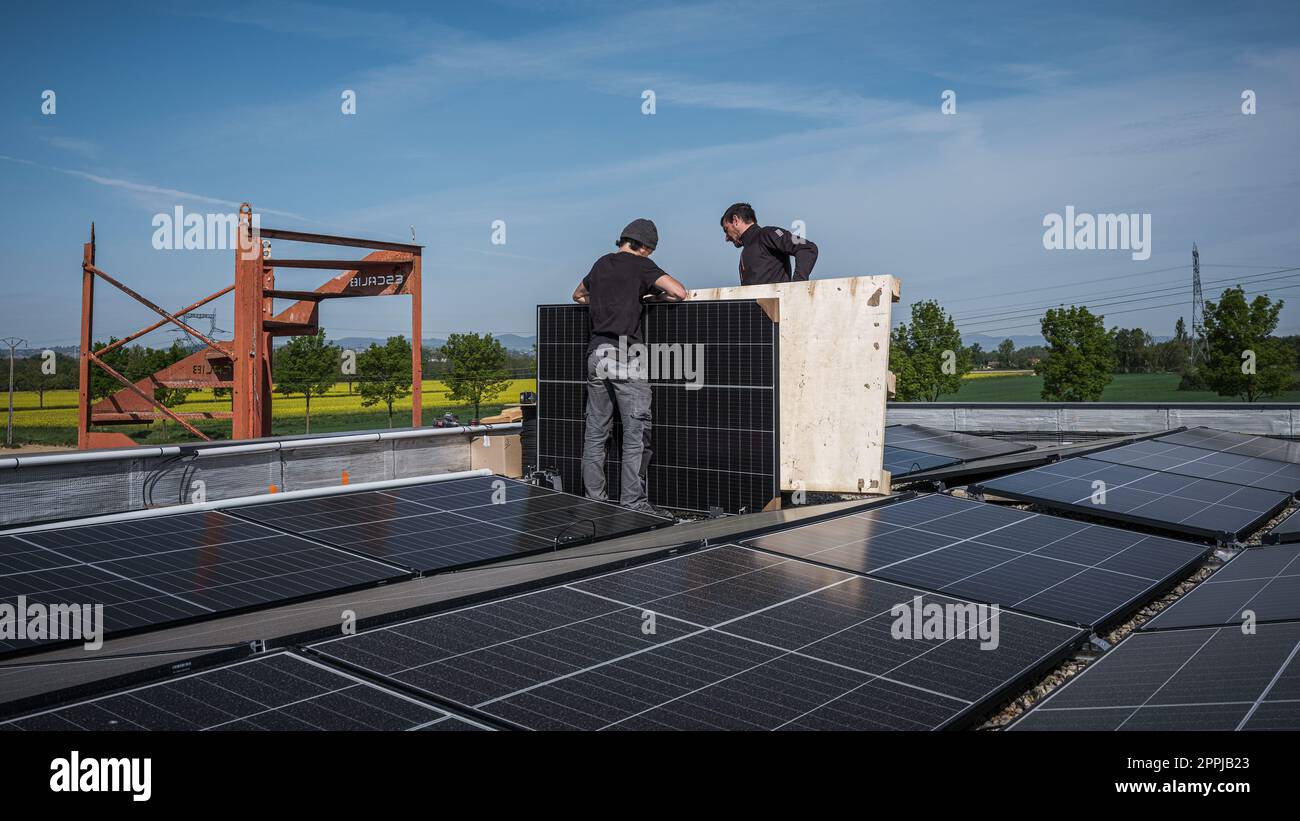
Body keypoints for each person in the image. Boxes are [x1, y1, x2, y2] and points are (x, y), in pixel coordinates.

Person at [571, 219, 687, 514]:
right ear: (642, 246)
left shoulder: (600, 265)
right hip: (624, 356)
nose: (649, 255)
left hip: (596, 355)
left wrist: (606, 304)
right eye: (649, 250)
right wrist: (649, 297)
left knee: (596, 433)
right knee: (636, 433)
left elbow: (577, 295)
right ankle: (633, 505)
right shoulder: (640, 266)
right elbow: (679, 292)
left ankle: (593, 501)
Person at [720, 202, 818, 285]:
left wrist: (797, 286)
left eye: (726, 229)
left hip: (779, 306)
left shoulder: (768, 234)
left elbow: (807, 248)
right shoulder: (746, 251)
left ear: (736, 220)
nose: (726, 238)